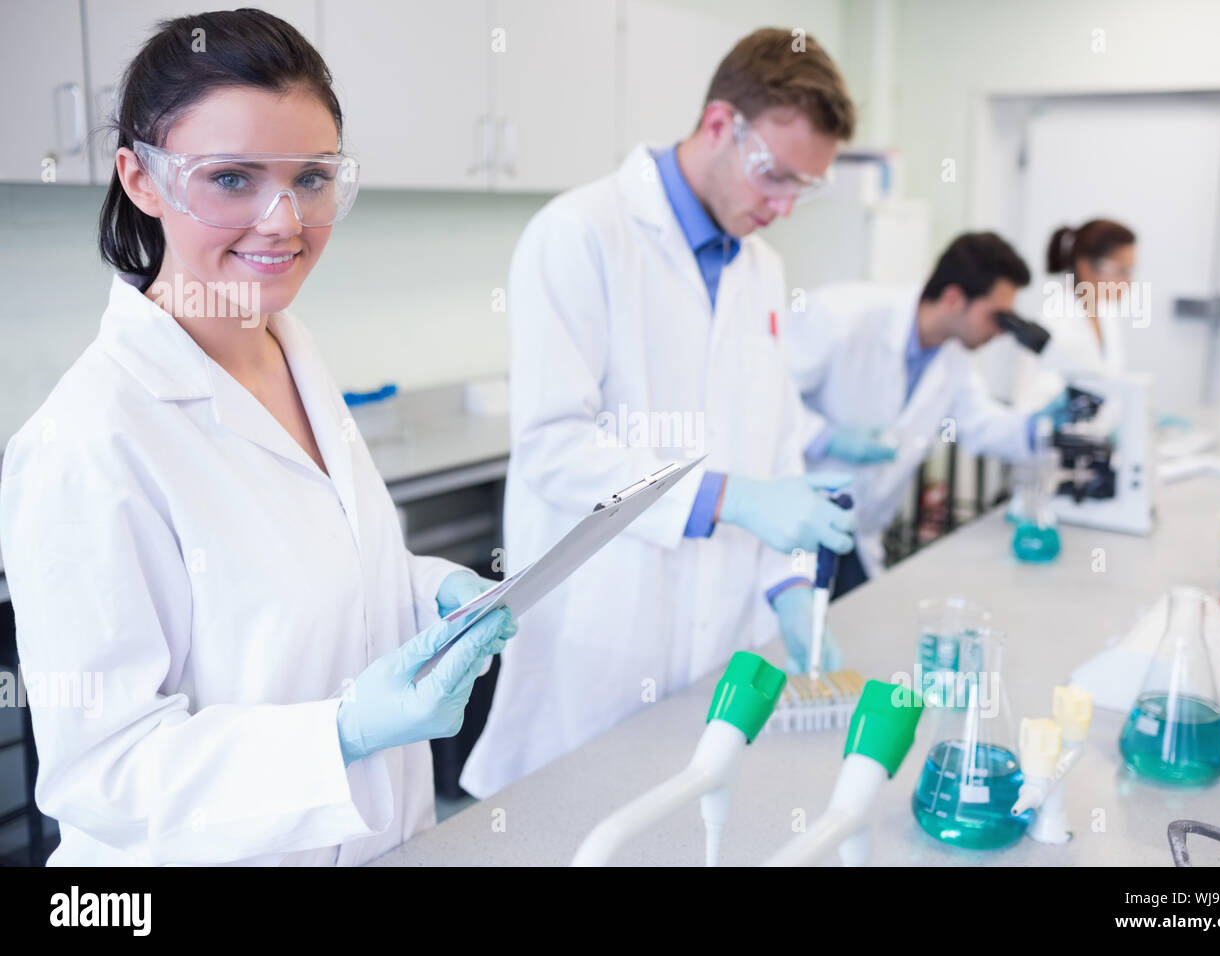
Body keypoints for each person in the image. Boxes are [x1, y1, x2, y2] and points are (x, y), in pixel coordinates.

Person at [0, 9, 515, 866]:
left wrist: (422, 593)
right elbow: (106, 772)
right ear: (140, 179)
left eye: (312, 177)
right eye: (232, 177)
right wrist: (341, 735)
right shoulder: (87, 439)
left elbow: (305, 587)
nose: (283, 221)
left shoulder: (289, 352)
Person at [460, 29, 857, 798]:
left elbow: (775, 451)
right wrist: (728, 498)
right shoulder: (580, 235)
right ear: (719, 125)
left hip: (722, 642)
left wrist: (791, 591)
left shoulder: (762, 267)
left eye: (804, 188)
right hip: (604, 641)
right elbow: (554, 447)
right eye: (775, 175)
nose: (782, 206)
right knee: (580, 826)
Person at [785, 232, 1070, 589]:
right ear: (953, 299)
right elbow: (763, 400)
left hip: (858, 533)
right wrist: (824, 438)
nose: (1000, 332)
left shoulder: (953, 358)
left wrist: (1039, 426)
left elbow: (978, 424)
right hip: (792, 524)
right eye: (997, 317)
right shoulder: (841, 314)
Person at [1010, 219, 1138, 411]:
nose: (1129, 282)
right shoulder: (1052, 323)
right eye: (1121, 271)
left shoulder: (1106, 314)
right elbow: (1030, 405)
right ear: (1085, 267)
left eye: (1130, 271)